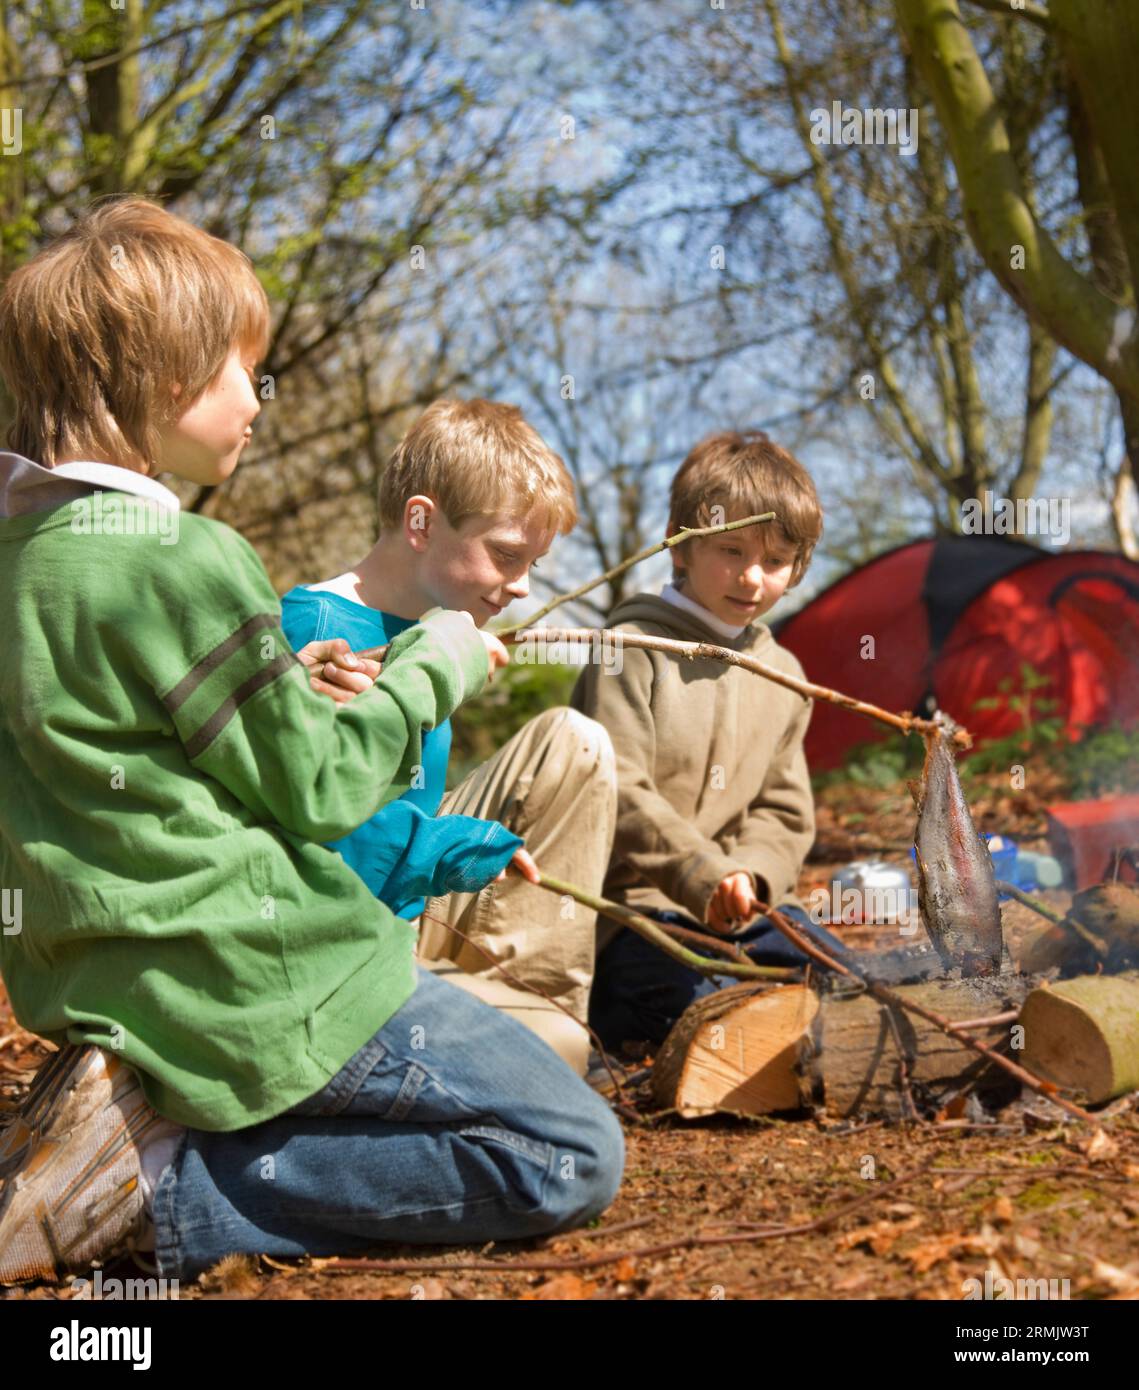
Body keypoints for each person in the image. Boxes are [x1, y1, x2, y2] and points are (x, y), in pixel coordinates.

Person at [0, 197, 623, 1286]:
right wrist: (435, 660)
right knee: (568, 1150)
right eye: (241, 367)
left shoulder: (21, 562)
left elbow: (125, 761)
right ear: (160, 376)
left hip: (110, 988)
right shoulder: (182, 554)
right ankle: (161, 1190)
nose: (256, 399)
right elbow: (321, 791)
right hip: (266, 978)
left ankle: (139, 1135)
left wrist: (288, 685)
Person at [279, 398, 619, 1072]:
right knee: (549, 1054)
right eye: (505, 556)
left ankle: (534, 1008)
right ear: (420, 521)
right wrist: (473, 844)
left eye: (532, 565)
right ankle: (508, 1048)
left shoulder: (437, 628)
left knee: (572, 739)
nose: (520, 587)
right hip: (340, 926)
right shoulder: (320, 631)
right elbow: (329, 847)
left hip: (410, 894)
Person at [571, 430, 847, 1049]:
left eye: (775, 562)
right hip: (637, 914)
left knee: (846, 983)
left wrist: (747, 877)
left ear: (796, 568)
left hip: (747, 911)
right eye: (731, 550)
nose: (752, 578)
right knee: (695, 1011)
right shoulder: (632, 650)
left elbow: (783, 809)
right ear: (680, 542)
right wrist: (702, 873)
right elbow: (618, 787)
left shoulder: (784, 676)